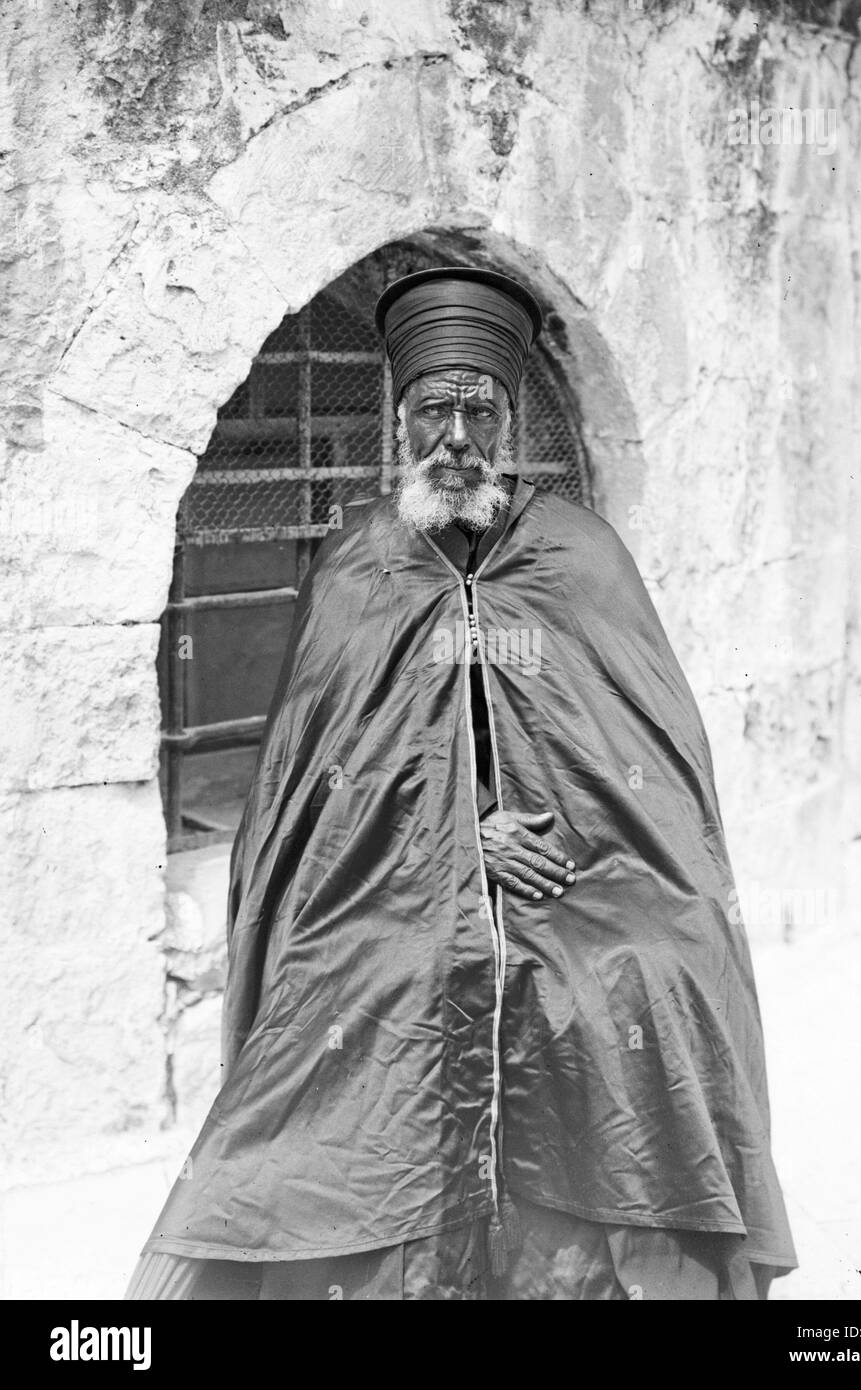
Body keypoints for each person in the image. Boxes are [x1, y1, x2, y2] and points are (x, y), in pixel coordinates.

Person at [127, 266, 797, 1300]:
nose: (455, 436)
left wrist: (569, 839)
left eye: (476, 410)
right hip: (386, 885)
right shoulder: (359, 564)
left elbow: (645, 765)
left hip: (573, 876)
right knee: (351, 986)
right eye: (432, 410)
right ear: (398, 422)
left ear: (510, 417)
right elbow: (320, 787)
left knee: (658, 960)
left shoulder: (578, 552)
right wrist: (457, 838)